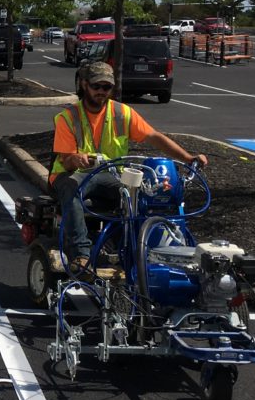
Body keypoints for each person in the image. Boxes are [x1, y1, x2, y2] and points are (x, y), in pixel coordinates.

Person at [50, 61, 207, 271]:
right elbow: (66, 159)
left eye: (106, 87)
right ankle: (81, 254)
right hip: (74, 174)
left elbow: (154, 137)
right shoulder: (68, 118)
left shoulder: (121, 113)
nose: (101, 92)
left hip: (110, 174)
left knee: (143, 193)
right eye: (96, 86)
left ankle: (137, 250)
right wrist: (76, 158)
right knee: (71, 187)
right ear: (84, 85)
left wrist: (188, 158)